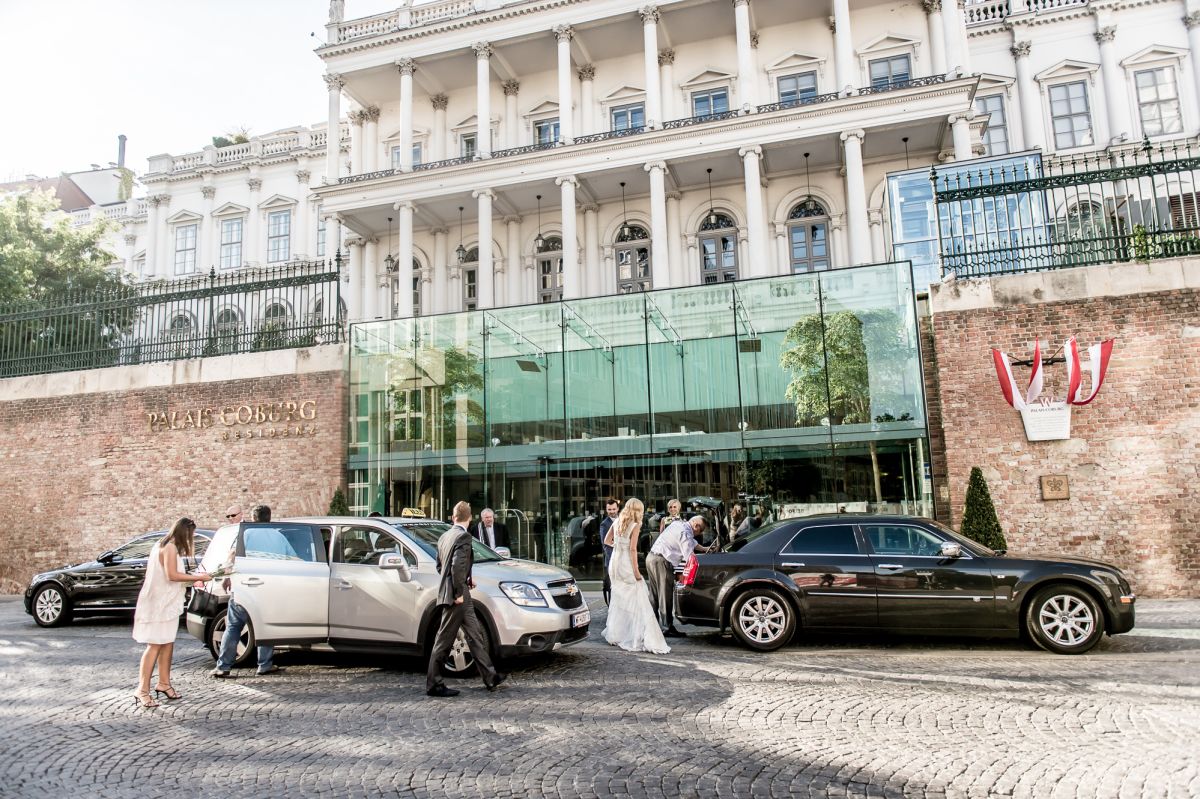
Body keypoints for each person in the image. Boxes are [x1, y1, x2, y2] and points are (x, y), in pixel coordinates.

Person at [426, 501, 505, 697]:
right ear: (469, 518)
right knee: (444, 640)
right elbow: (456, 566)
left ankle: (490, 676)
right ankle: (434, 684)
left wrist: (466, 581)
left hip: (459, 591)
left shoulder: (444, 536)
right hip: (457, 596)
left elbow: (440, 567)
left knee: (475, 634)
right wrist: (458, 591)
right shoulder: (464, 536)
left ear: (454, 517)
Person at [132, 517, 211, 708]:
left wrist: (193, 579)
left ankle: (164, 683)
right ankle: (142, 690)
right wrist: (199, 577)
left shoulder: (163, 545)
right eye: (191, 535)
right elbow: (171, 575)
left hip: (167, 604)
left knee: (167, 643)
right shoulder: (169, 548)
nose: (191, 539)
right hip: (160, 604)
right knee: (155, 645)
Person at [211, 504, 281, 678]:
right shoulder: (279, 536)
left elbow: (232, 556)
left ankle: (223, 666)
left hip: (245, 587)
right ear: (269, 517)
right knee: (266, 625)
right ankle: (265, 665)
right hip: (268, 588)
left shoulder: (246, 533)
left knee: (234, 626)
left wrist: (227, 577)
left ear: (254, 518)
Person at [602, 498, 671, 654]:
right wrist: (636, 571)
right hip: (626, 563)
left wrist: (618, 546)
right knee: (637, 598)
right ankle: (634, 635)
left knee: (619, 598)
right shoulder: (635, 524)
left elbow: (606, 541)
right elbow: (633, 549)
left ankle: (617, 634)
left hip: (615, 563)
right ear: (638, 510)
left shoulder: (617, 521)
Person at [646, 515, 712, 637]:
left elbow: (692, 542)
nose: (699, 534)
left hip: (651, 557)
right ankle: (667, 628)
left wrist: (704, 549)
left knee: (654, 595)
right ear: (696, 526)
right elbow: (689, 556)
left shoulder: (679, 524)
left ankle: (651, 626)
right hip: (662, 561)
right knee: (665, 596)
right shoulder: (685, 533)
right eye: (700, 531)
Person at [598, 498, 620, 605]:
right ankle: (612, 610)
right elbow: (605, 545)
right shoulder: (604, 524)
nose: (612, 511)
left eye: (614, 509)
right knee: (613, 588)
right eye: (609, 509)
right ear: (606, 510)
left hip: (624, 559)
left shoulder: (623, 520)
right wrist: (614, 559)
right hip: (612, 560)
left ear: (618, 509)